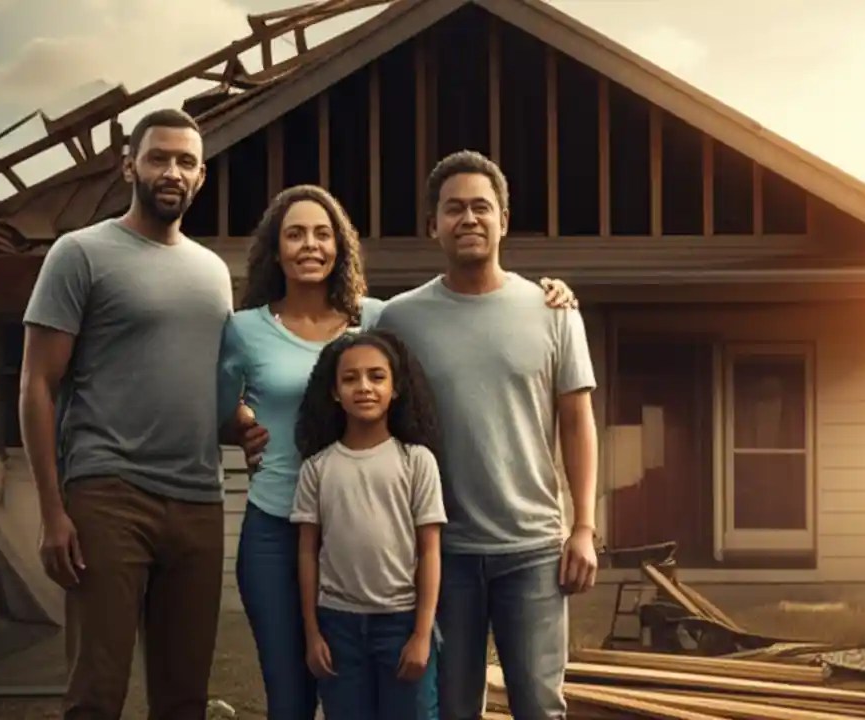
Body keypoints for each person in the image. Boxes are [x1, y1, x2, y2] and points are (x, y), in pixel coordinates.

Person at [217, 185, 579, 719]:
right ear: (274, 249)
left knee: (379, 685)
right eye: (294, 234)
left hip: (367, 530)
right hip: (277, 522)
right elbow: (218, 408)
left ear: (341, 247)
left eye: (323, 234)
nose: (310, 245)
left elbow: (455, 316)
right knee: (292, 693)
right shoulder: (244, 329)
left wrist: (553, 292)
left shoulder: (380, 317)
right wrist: (245, 428)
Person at [372, 150, 601, 720]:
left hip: (533, 551)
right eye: (454, 209)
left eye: (482, 207)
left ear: (504, 220)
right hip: (439, 550)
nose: (468, 218)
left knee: (540, 707)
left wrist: (585, 527)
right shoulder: (399, 320)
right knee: (452, 710)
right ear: (433, 226)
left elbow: (577, 421)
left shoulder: (552, 311)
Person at [19, 107, 232, 720]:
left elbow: (203, 382)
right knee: (96, 694)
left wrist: (242, 422)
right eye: (159, 157)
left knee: (184, 696)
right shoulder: (80, 253)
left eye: (185, 161)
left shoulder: (214, 273)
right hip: (108, 496)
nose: (172, 170)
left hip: (199, 501)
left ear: (201, 177)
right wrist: (52, 511)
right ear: (129, 166)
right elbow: (37, 383)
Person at [290, 329, 447, 720]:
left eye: (377, 376)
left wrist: (421, 635)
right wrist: (312, 633)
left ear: (395, 389)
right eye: (350, 378)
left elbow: (429, 550)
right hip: (337, 626)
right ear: (333, 392)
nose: (364, 387)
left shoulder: (416, 461)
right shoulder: (317, 468)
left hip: (401, 623)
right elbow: (308, 552)